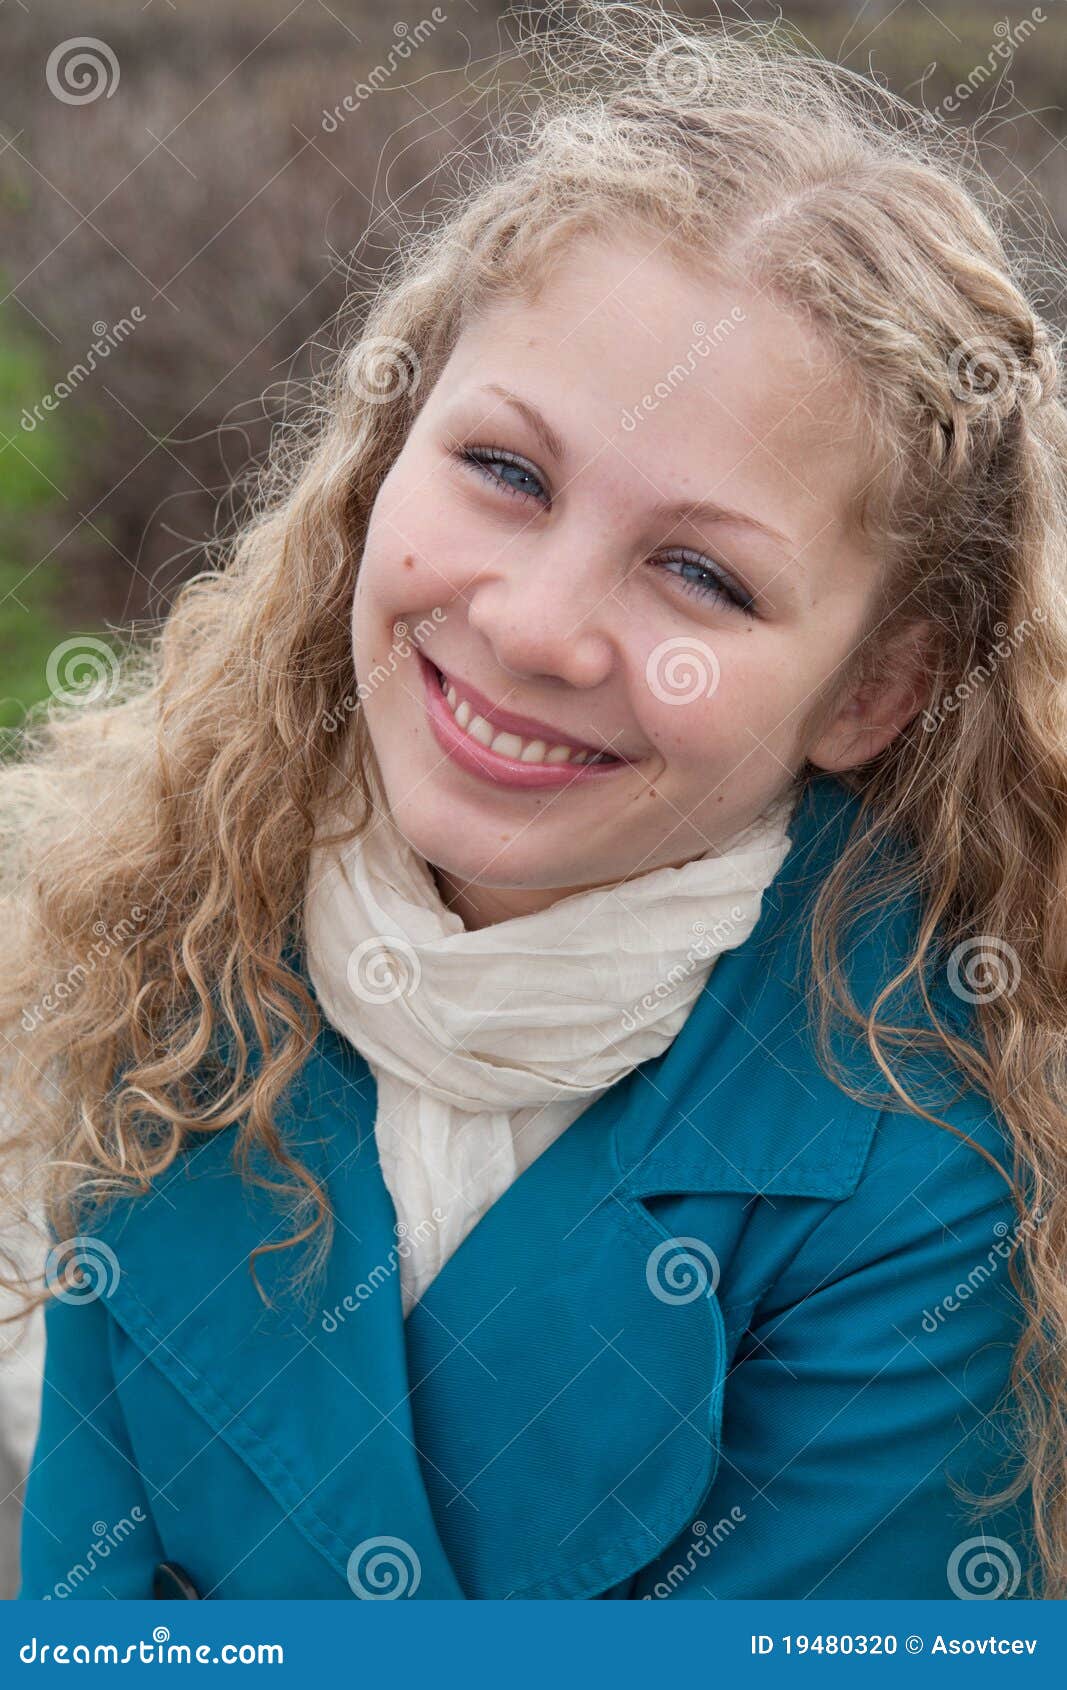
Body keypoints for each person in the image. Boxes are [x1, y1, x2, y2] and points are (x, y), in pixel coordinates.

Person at [3, 4, 1065, 1600]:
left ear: (871, 692)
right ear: (386, 447)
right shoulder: (171, 945)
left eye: (700, 573)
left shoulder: (930, 1179)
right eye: (506, 472)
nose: (534, 627)